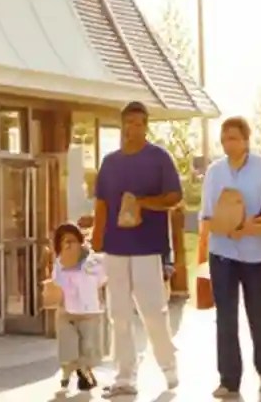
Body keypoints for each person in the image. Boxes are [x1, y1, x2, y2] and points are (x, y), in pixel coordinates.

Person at [90, 101, 182, 398]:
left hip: (148, 247)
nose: (135, 127)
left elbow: (174, 197)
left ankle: (168, 365)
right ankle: (124, 377)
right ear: (123, 126)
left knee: (152, 311)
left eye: (140, 123)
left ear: (146, 126)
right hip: (115, 247)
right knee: (118, 314)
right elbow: (101, 203)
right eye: (130, 122)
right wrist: (96, 237)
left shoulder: (159, 158)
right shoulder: (110, 163)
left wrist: (143, 203)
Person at [196, 116, 261, 398]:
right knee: (226, 317)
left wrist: (251, 225)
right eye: (224, 139)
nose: (228, 143)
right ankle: (229, 379)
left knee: (258, 313)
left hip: (258, 254)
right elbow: (206, 214)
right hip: (222, 252)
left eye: (233, 138)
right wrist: (218, 232)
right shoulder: (214, 172)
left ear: (246, 140)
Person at [48, 223, 107, 395]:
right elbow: (56, 282)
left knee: (88, 347)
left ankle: (84, 372)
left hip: (89, 311)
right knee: (68, 347)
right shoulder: (60, 262)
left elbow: (102, 278)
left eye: (72, 240)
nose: (68, 245)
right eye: (64, 241)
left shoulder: (93, 260)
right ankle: (67, 375)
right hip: (66, 311)